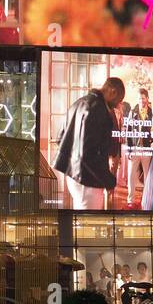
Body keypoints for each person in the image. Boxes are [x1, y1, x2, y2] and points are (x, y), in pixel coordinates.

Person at [54, 77, 127, 210]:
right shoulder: (98, 110)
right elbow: (89, 152)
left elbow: (60, 138)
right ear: (112, 91)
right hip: (88, 179)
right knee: (88, 225)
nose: (117, 105)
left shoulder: (79, 103)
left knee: (81, 222)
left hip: (73, 176)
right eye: (119, 100)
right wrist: (108, 179)